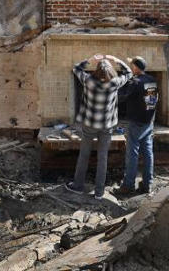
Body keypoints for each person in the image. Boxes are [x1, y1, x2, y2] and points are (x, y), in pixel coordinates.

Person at [66, 54, 132, 199]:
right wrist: (117, 60)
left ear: (96, 71)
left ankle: (77, 186)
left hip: (90, 124)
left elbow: (76, 68)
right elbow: (129, 73)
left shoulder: (89, 81)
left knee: (84, 154)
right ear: (110, 71)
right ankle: (99, 192)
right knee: (103, 158)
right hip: (107, 126)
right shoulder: (115, 82)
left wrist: (89, 60)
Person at [114, 56, 158, 196]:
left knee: (132, 153)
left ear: (135, 67)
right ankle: (147, 184)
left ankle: (128, 185)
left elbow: (120, 96)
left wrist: (120, 82)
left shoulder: (135, 82)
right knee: (148, 152)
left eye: (132, 65)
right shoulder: (152, 80)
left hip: (137, 123)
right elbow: (153, 100)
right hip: (149, 122)